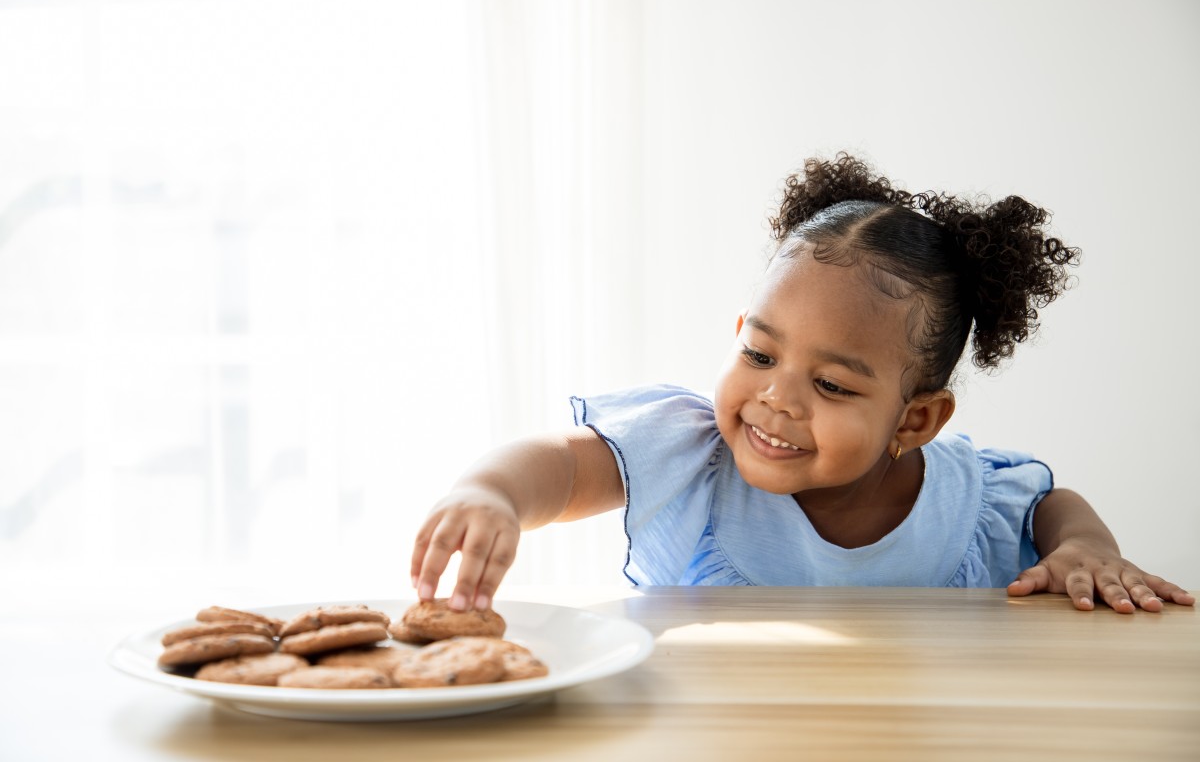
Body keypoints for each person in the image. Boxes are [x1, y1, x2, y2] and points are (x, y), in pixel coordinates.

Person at [409, 153, 1194, 615]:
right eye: (758, 354)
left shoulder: (966, 506)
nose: (778, 398)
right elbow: (565, 463)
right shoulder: (693, 454)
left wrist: (1087, 547)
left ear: (915, 420)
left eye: (831, 384)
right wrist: (493, 494)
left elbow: (1047, 503)